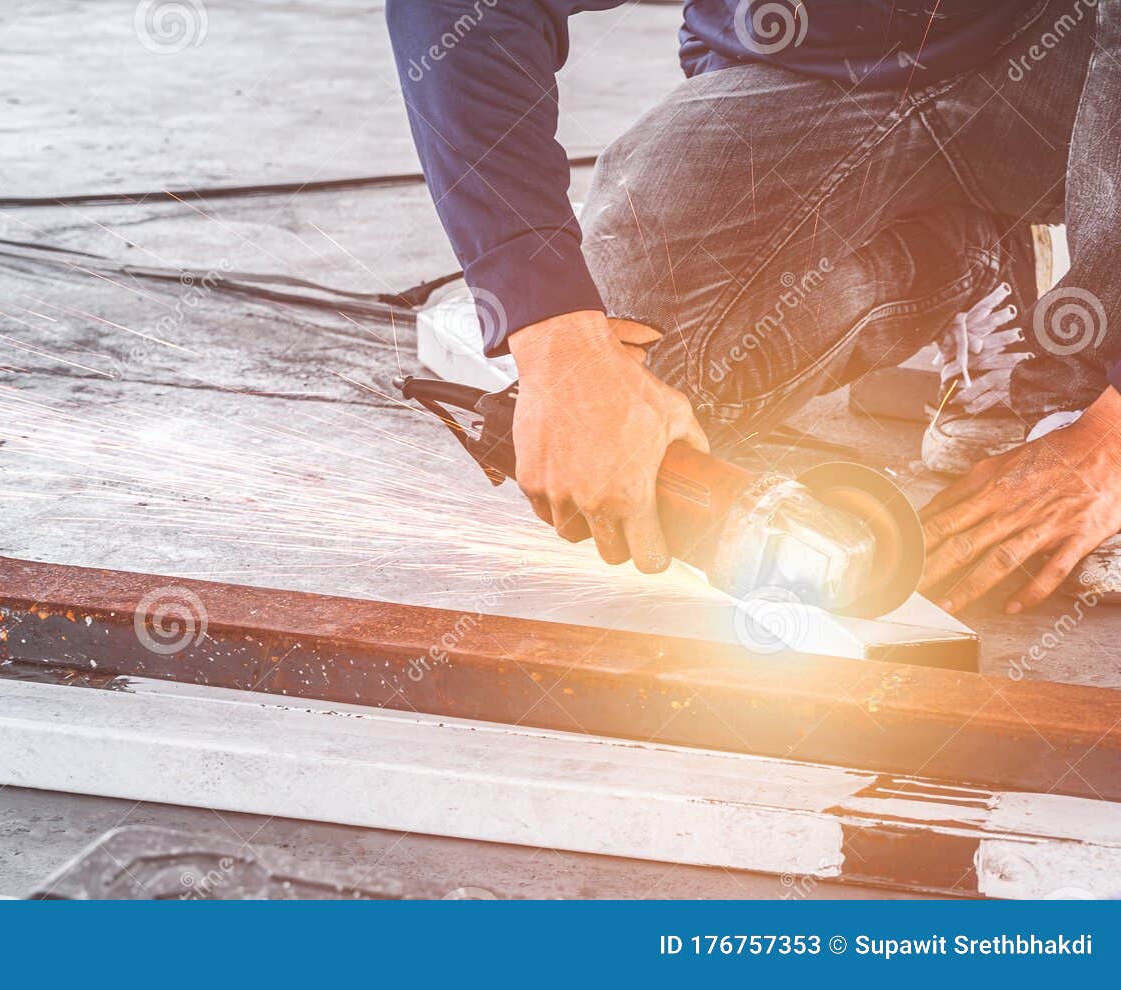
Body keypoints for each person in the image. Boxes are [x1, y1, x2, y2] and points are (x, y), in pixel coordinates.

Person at [387, 0, 1121, 615]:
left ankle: (1084, 357)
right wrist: (559, 343)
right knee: (647, 384)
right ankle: (967, 251)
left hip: (1068, 69)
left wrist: (1109, 440)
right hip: (817, 62)